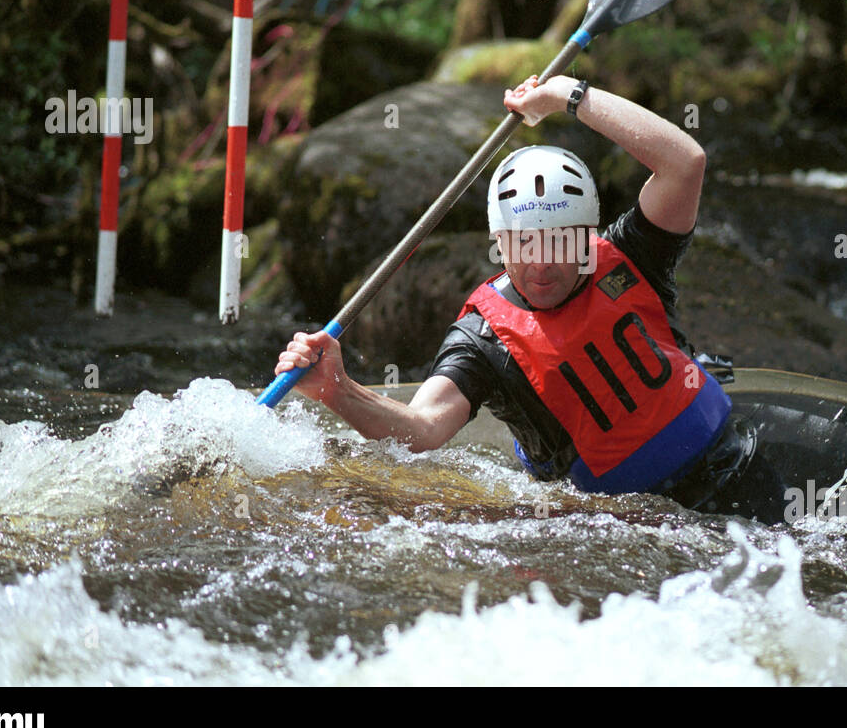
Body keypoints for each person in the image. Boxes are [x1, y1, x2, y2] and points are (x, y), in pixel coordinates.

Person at [275, 75, 791, 523]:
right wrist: (339, 390)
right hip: (628, 527)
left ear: (586, 237)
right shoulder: (483, 340)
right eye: (524, 242)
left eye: (559, 241)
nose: (541, 262)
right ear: (499, 243)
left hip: (733, 470)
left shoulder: (634, 254)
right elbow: (422, 428)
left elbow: (686, 162)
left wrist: (568, 96)